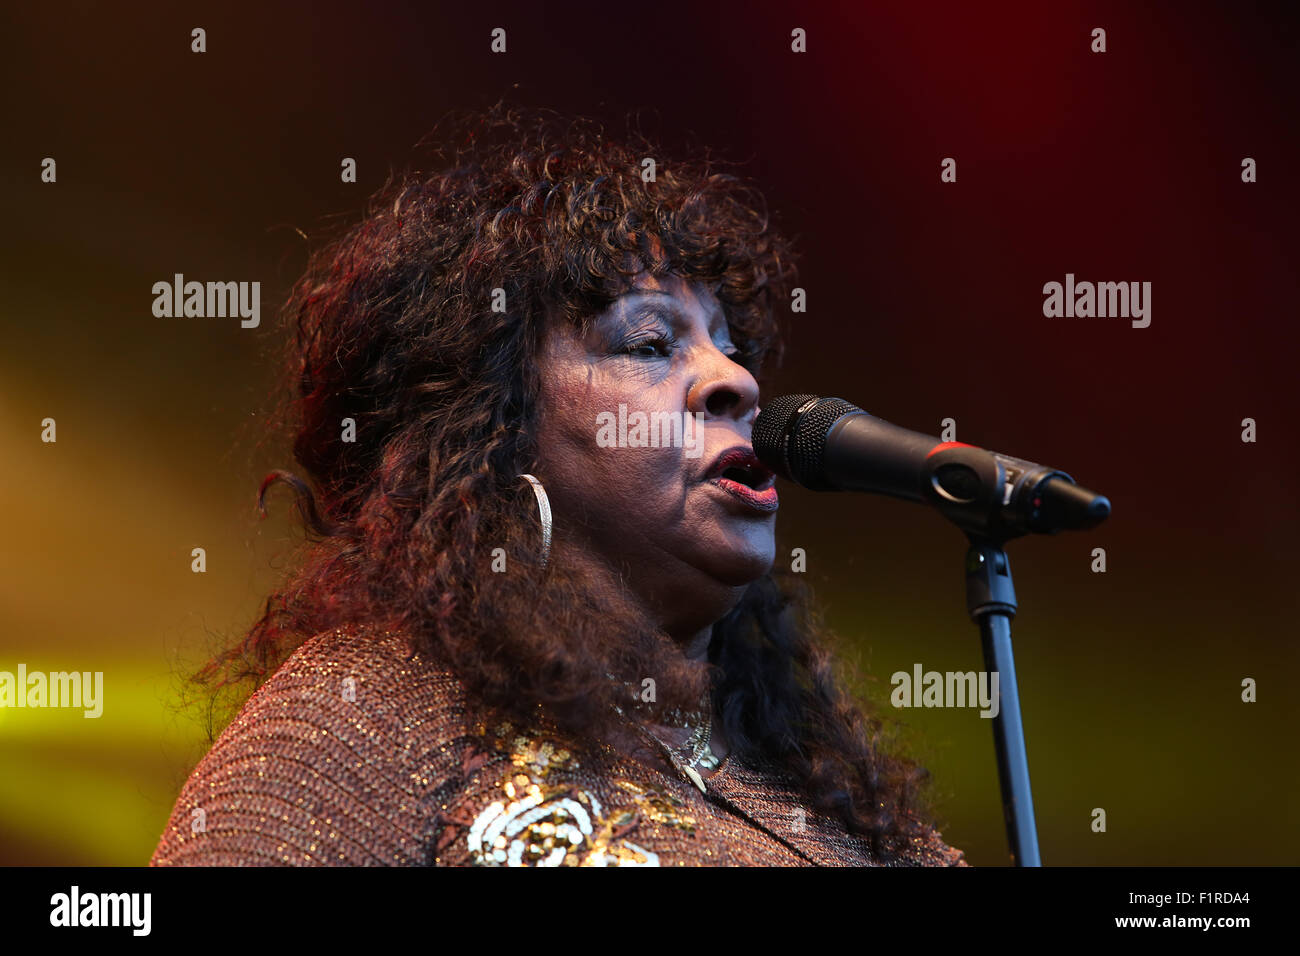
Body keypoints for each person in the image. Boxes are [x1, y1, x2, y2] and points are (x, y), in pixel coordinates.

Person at [150, 102, 968, 867]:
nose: (737, 383)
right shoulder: (374, 713)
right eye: (650, 343)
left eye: (729, 345)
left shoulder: (838, 809)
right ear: (493, 433)